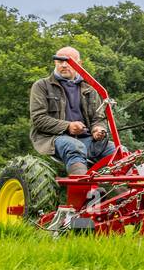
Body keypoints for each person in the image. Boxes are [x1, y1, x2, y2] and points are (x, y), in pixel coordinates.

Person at [28, 46, 114, 175]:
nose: (63, 65)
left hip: (86, 139)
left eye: (68, 61)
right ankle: (81, 190)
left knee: (117, 150)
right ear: (55, 63)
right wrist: (68, 126)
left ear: (79, 64)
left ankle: (124, 193)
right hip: (53, 138)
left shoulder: (90, 89)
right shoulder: (41, 86)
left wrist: (98, 129)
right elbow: (38, 119)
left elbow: (98, 118)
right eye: (59, 61)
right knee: (74, 146)